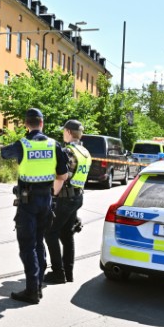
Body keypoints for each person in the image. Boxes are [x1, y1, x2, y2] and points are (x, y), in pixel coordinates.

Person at [0, 108, 67, 304]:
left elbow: (4, 154)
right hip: (46, 200)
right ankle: (37, 286)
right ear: (42, 123)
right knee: (38, 242)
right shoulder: (54, 145)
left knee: (27, 245)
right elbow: (62, 176)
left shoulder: (23, 144)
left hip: (27, 201)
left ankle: (31, 291)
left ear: (26, 124)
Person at [44, 120, 92, 284]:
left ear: (69, 132)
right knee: (66, 235)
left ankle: (58, 273)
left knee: (50, 233)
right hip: (77, 196)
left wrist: (52, 195)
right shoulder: (85, 152)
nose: (63, 134)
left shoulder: (68, 152)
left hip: (65, 198)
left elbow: (61, 176)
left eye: (64, 131)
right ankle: (68, 273)